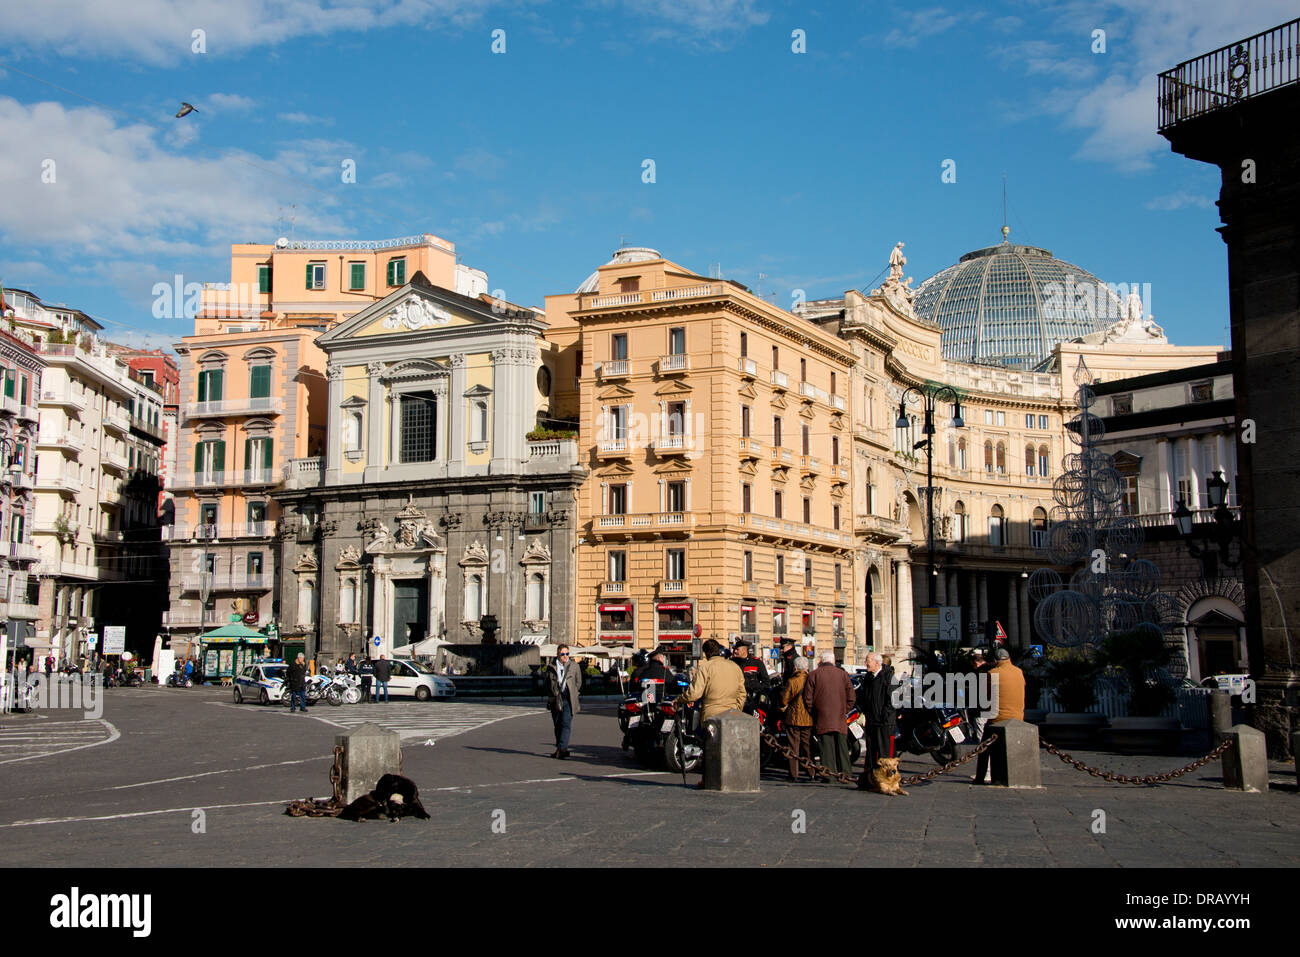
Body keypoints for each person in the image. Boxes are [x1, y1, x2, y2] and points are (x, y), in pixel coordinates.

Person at [973, 648, 1026, 784]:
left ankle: (980, 778)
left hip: (998, 719)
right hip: (1018, 718)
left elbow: (985, 697)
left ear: (996, 661)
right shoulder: (1019, 672)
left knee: (983, 747)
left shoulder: (993, 673)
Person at [804, 651, 855, 777]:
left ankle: (828, 776)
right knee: (842, 748)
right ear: (833, 661)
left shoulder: (813, 674)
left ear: (821, 660)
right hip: (839, 718)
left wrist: (815, 712)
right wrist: (844, 710)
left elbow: (807, 698)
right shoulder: (843, 674)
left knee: (826, 750)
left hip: (822, 717)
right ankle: (845, 775)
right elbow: (851, 697)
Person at [855, 652, 897, 790]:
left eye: (868, 661)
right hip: (872, 721)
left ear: (877, 663)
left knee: (885, 754)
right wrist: (860, 710)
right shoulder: (868, 677)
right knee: (872, 752)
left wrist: (883, 716)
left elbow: (892, 701)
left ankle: (888, 782)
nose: (866, 663)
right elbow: (863, 697)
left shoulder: (888, 677)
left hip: (884, 722)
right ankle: (871, 780)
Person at [779, 657, 814, 782]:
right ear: (807, 667)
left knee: (793, 746)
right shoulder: (811, 679)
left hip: (793, 718)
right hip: (808, 718)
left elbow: (784, 700)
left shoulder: (792, 681)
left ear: (795, 668)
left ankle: (794, 773)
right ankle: (811, 771)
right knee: (807, 746)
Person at [545, 645, 582, 759]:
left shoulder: (574, 666)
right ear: (558, 654)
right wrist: (551, 693)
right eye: (563, 654)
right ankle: (560, 748)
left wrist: (573, 692)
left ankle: (562, 749)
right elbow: (547, 683)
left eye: (567, 654)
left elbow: (578, 682)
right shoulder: (551, 667)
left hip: (568, 698)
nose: (565, 656)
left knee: (566, 724)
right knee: (557, 725)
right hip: (556, 698)